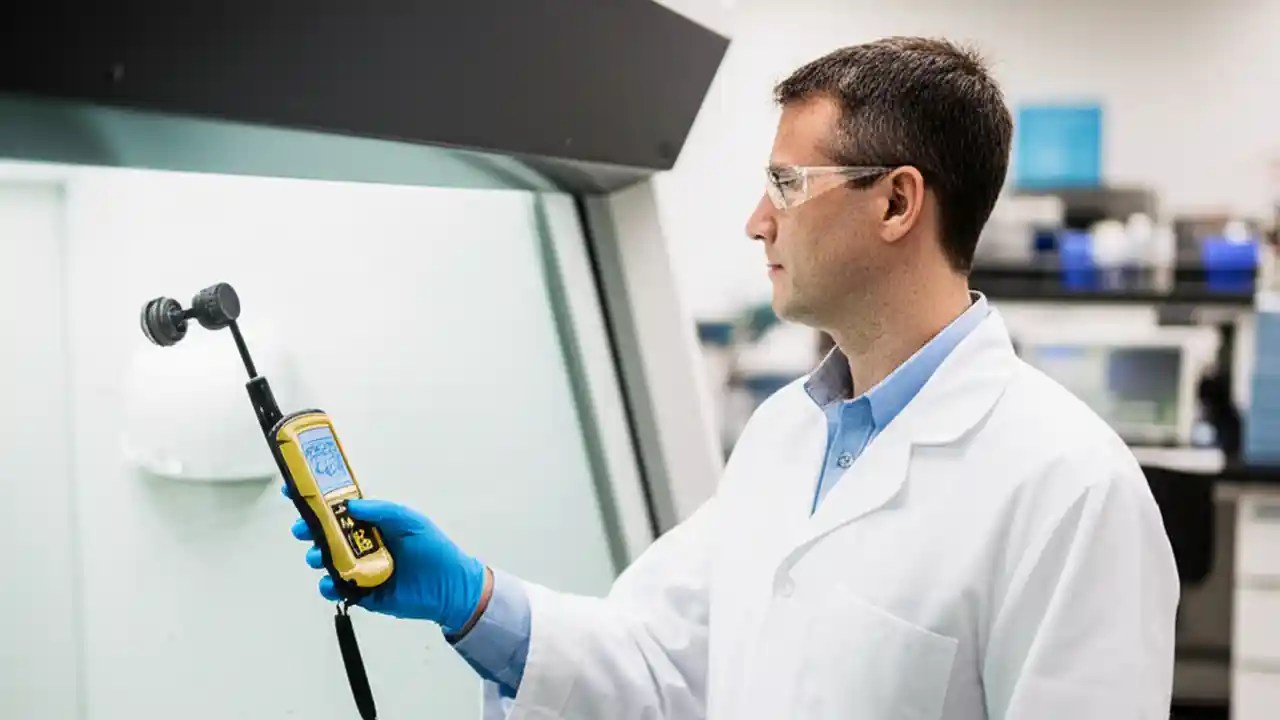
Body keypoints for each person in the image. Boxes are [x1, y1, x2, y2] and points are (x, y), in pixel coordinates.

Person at [290, 37, 1179, 718]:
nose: (757, 222)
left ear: (899, 203)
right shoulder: (789, 435)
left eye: (786, 185)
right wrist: (471, 598)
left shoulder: (1070, 488)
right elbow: (659, 661)